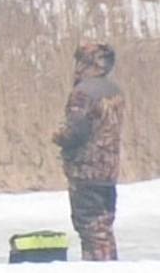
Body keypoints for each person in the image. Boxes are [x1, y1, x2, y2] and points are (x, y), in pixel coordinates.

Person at [52, 42, 126, 261]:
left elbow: (77, 130)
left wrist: (58, 137)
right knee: (104, 226)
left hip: (86, 170)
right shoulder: (115, 90)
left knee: (89, 226)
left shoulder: (83, 92)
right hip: (109, 171)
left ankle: (98, 269)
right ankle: (109, 265)